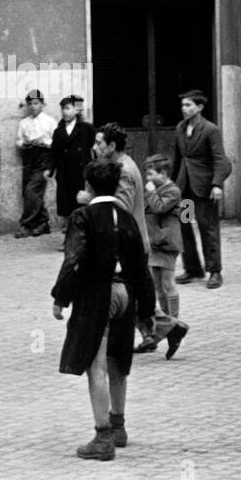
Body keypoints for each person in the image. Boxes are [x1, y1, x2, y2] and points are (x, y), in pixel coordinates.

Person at [50, 159, 155, 461]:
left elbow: (74, 259)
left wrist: (61, 297)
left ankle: (102, 436)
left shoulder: (83, 216)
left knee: (95, 366)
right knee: (118, 363)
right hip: (127, 293)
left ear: (89, 186)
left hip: (99, 293)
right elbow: (141, 265)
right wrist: (145, 310)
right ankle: (119, 425)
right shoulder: (126, 218)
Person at [171, 90, 231, 288]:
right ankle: (193, 268)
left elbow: (220, 160)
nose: (184, 109)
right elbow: (178, 158)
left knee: (208, 227)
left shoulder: (210, 130)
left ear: (199, 107)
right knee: (184, 225)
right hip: (185, 188)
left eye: (188, 105)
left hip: (204, 188)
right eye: (182, 105)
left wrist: (217, 185)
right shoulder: (180, 128)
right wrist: (172, 185)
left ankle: (214, 271)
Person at [134, 154, 189, 359]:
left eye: (151, 174)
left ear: (163, 174)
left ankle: (174, 321)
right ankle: (166, 325)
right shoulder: (155, 190)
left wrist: (149, 192)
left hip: (166, 243)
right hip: (154, 242)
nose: (147, 178)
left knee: (168, 284)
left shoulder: (173, 191)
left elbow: (159, 207)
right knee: (156, 287)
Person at [81, 123, 150, 251]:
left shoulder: (123, 170)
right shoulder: (120, 165)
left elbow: (122, 211)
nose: (94, 147)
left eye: (99, 143)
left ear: (112, 146)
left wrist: (91, 200)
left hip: (127, 247)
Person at [47, 94, 95, 233]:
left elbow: (93, 148)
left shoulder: (86, 129)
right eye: (62, 109)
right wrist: (49, 169)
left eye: (68, 108)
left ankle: (83, 234)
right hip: (64, 173)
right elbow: (54, 153)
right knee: (66, 205)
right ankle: (68, 235)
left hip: (81, 172)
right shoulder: (58, 131)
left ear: (76, 110)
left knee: (80, 203)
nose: (64, 112)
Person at [15, 89, 57, 237]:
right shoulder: (23, 123)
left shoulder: (50, 121)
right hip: (28, 158)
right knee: (30, 193)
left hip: (43, 159)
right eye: (30, 104)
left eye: (36, 103)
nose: (33, 107)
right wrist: (24, 143)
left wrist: (44, 142)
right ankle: (43, 223)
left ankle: (25, 224)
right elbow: (18, 141)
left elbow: (57, 143)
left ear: (42, 104)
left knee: (31, 190)